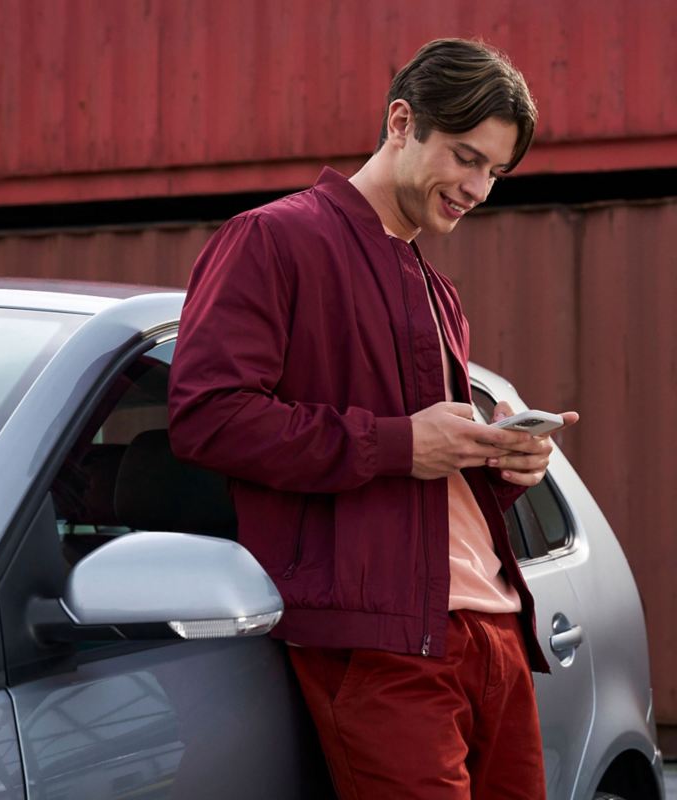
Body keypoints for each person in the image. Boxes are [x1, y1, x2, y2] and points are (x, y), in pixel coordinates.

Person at [168, 38, 578, 800]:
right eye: (465, 157)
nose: (479, 188)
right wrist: (400, 443)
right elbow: (207, 418)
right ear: (400, 121)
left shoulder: (439, 289)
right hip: (382, 647)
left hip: (497, 633)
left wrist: (504, 465)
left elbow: (426, 477)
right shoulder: (272, 239)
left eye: (494, 171)